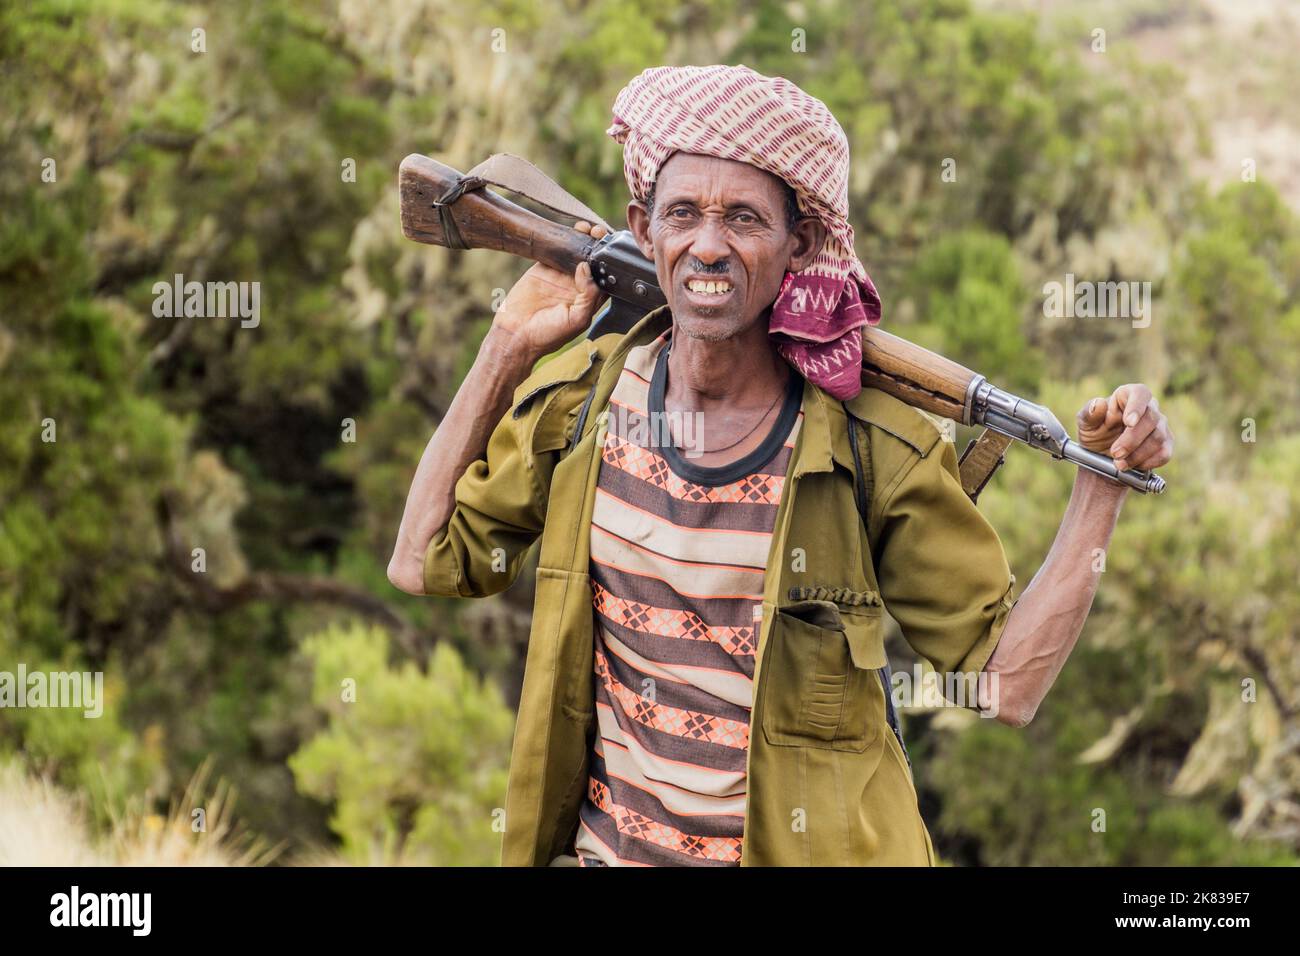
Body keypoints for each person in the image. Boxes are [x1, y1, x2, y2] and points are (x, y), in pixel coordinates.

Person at [387, 65, 1174, 867]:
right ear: (642, 226)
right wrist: (506, 348)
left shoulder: (875, 448)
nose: (708, 245)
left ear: (799, 243)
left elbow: (1008, 686)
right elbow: (423, 562)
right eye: (683, 213)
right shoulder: (580, 404)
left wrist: (1101, 484)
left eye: (744, 219)